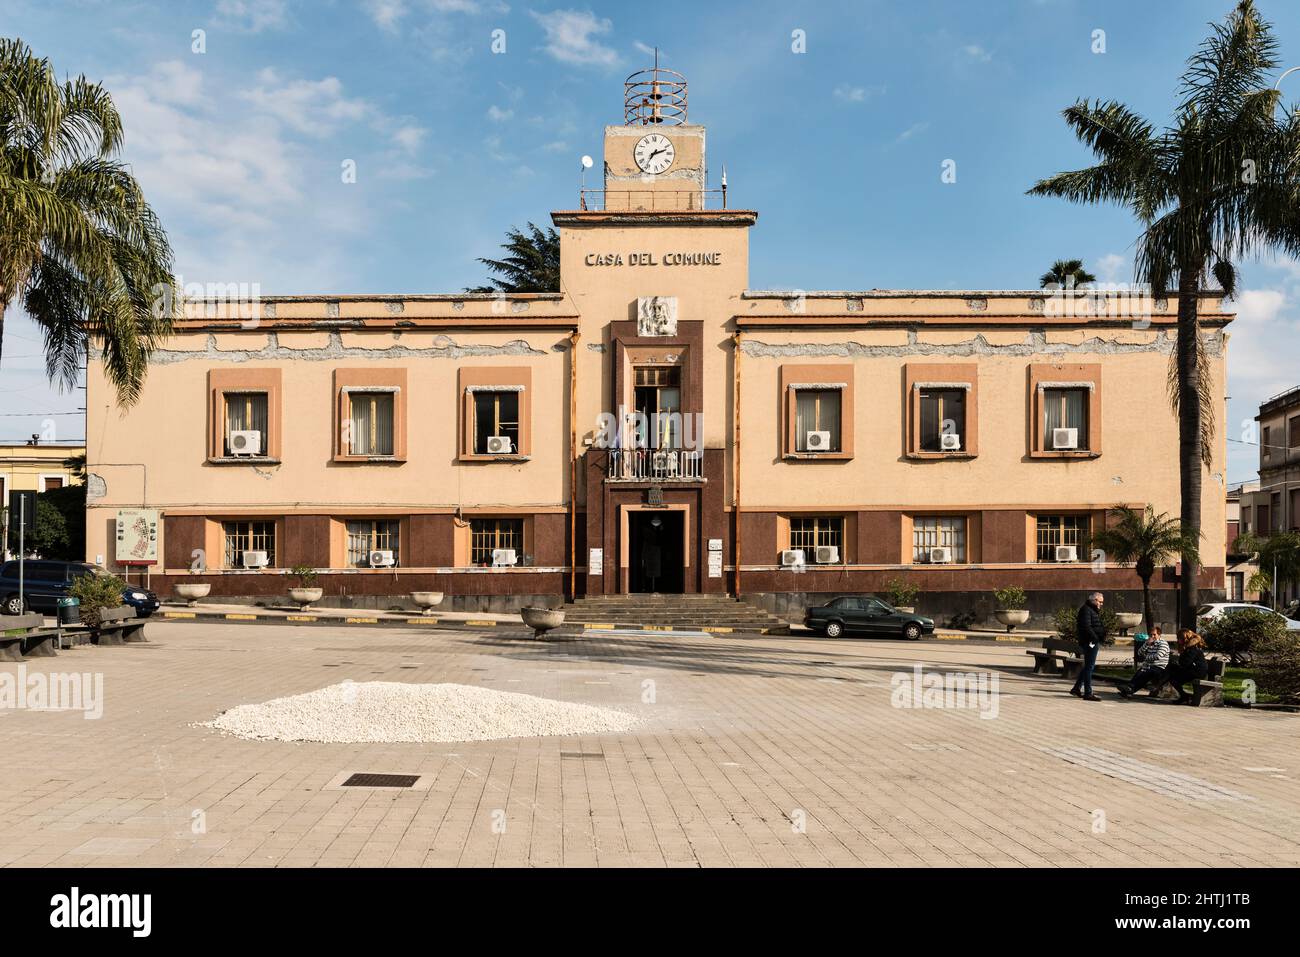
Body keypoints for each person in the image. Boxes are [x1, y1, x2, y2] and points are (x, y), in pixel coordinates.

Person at [1071, 591, 1106, 701]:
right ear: (1094, 600)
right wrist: (1095, 638)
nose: (1101, 604)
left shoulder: (1091, 609)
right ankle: (1088, 693)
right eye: (1100, 602)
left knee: (1088, 666)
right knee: (1089, 667)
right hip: (1090, 642)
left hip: (1091, 641)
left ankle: (1076, 688)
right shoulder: (1086, 609)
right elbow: (1086, 627)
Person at [1119, 626, 1170, 698]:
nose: (1152, 636)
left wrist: (1146, 658)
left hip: (1159, 667)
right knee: (1139, 673)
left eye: (1154, 634)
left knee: (1146, 673)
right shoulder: (1149, 642)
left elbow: (1158, 656)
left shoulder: (1163, 644)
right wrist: (1146, 644)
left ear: (1159, 635)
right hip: (1149, 666)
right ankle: (1128, 691)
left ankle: (1129, 689)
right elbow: (1139, 653)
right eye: (1151, 635)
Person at [1164, 630, 1210, 705]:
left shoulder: (1192, 648)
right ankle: (1184, 696)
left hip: (1197, 672)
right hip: (1192, 670)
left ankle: (1184, 697)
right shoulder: (1188, 647)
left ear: (1184, 639)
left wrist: (1178, 663)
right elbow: (1184, 663)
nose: (1177, 640)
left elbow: (1186, 663)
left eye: (1179, 638)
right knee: (1171, 671)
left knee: (1173, 678)